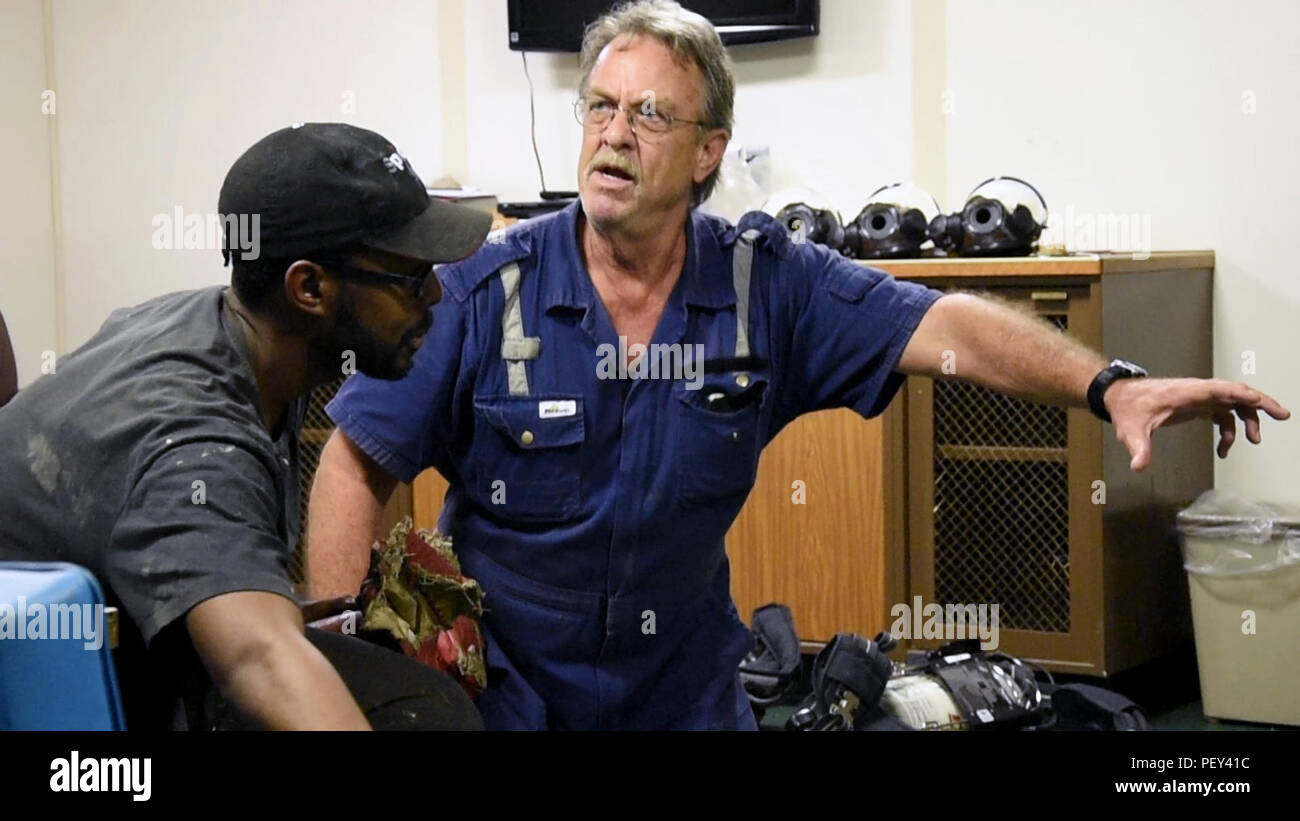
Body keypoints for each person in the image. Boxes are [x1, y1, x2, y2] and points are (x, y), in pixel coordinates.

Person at [306, 1, 1290, 729]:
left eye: (647, 115)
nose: (612, 135)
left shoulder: (769, 284)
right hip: (511, 698)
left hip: (685, 695)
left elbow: (948, 323)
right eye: (598, 107)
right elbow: (355, 459)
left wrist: (1109, 383)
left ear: (706, 152)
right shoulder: (483, 287)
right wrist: (347, 680)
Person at [0, 122, 492, 730]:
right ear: (309, 286)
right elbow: (258, 659)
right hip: (41, 684)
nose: (437, 295)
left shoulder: (223, 332)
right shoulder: (195, 439)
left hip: (108, 644)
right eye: (411, 278)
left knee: (411, 694)